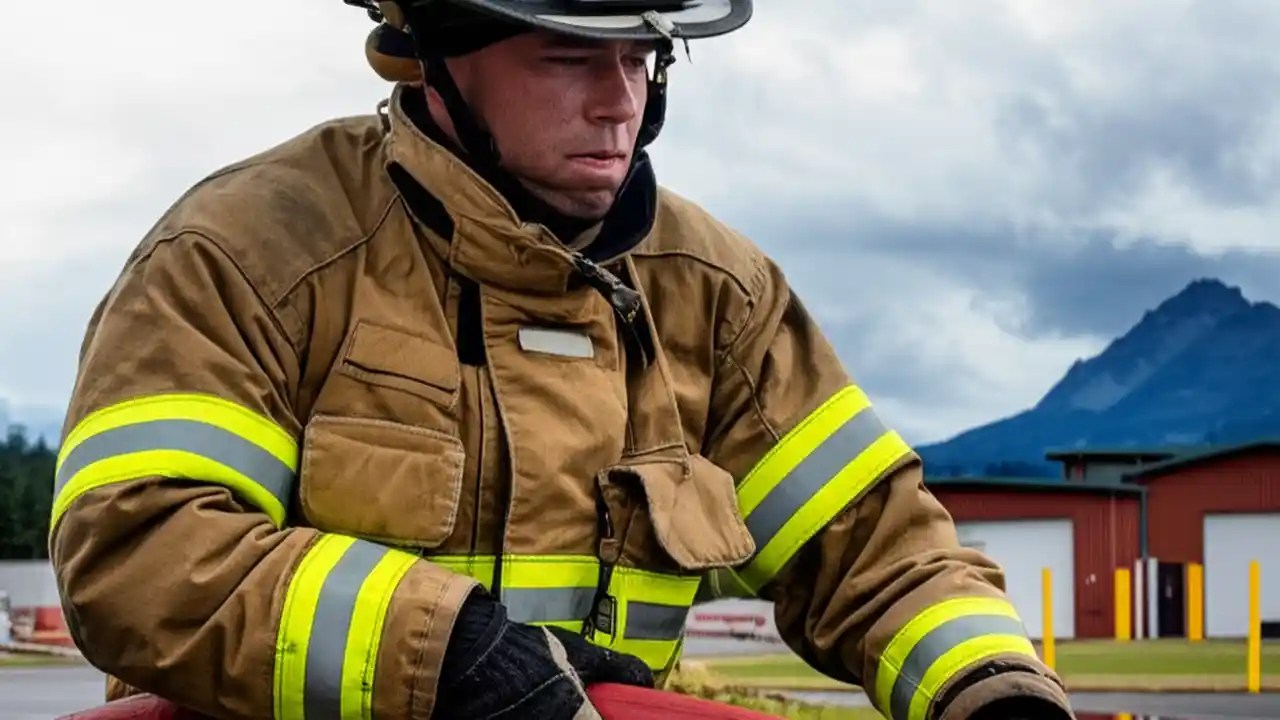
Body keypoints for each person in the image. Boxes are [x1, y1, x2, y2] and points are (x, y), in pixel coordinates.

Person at [47, 1, 1076, 719]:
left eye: (640, 58)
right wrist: (448, 657)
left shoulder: (716, 296)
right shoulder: (249, 252)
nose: (618, 100)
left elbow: (877, 551)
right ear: (442, 52)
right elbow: (138, 552)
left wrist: (993, 689)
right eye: (570, 56)